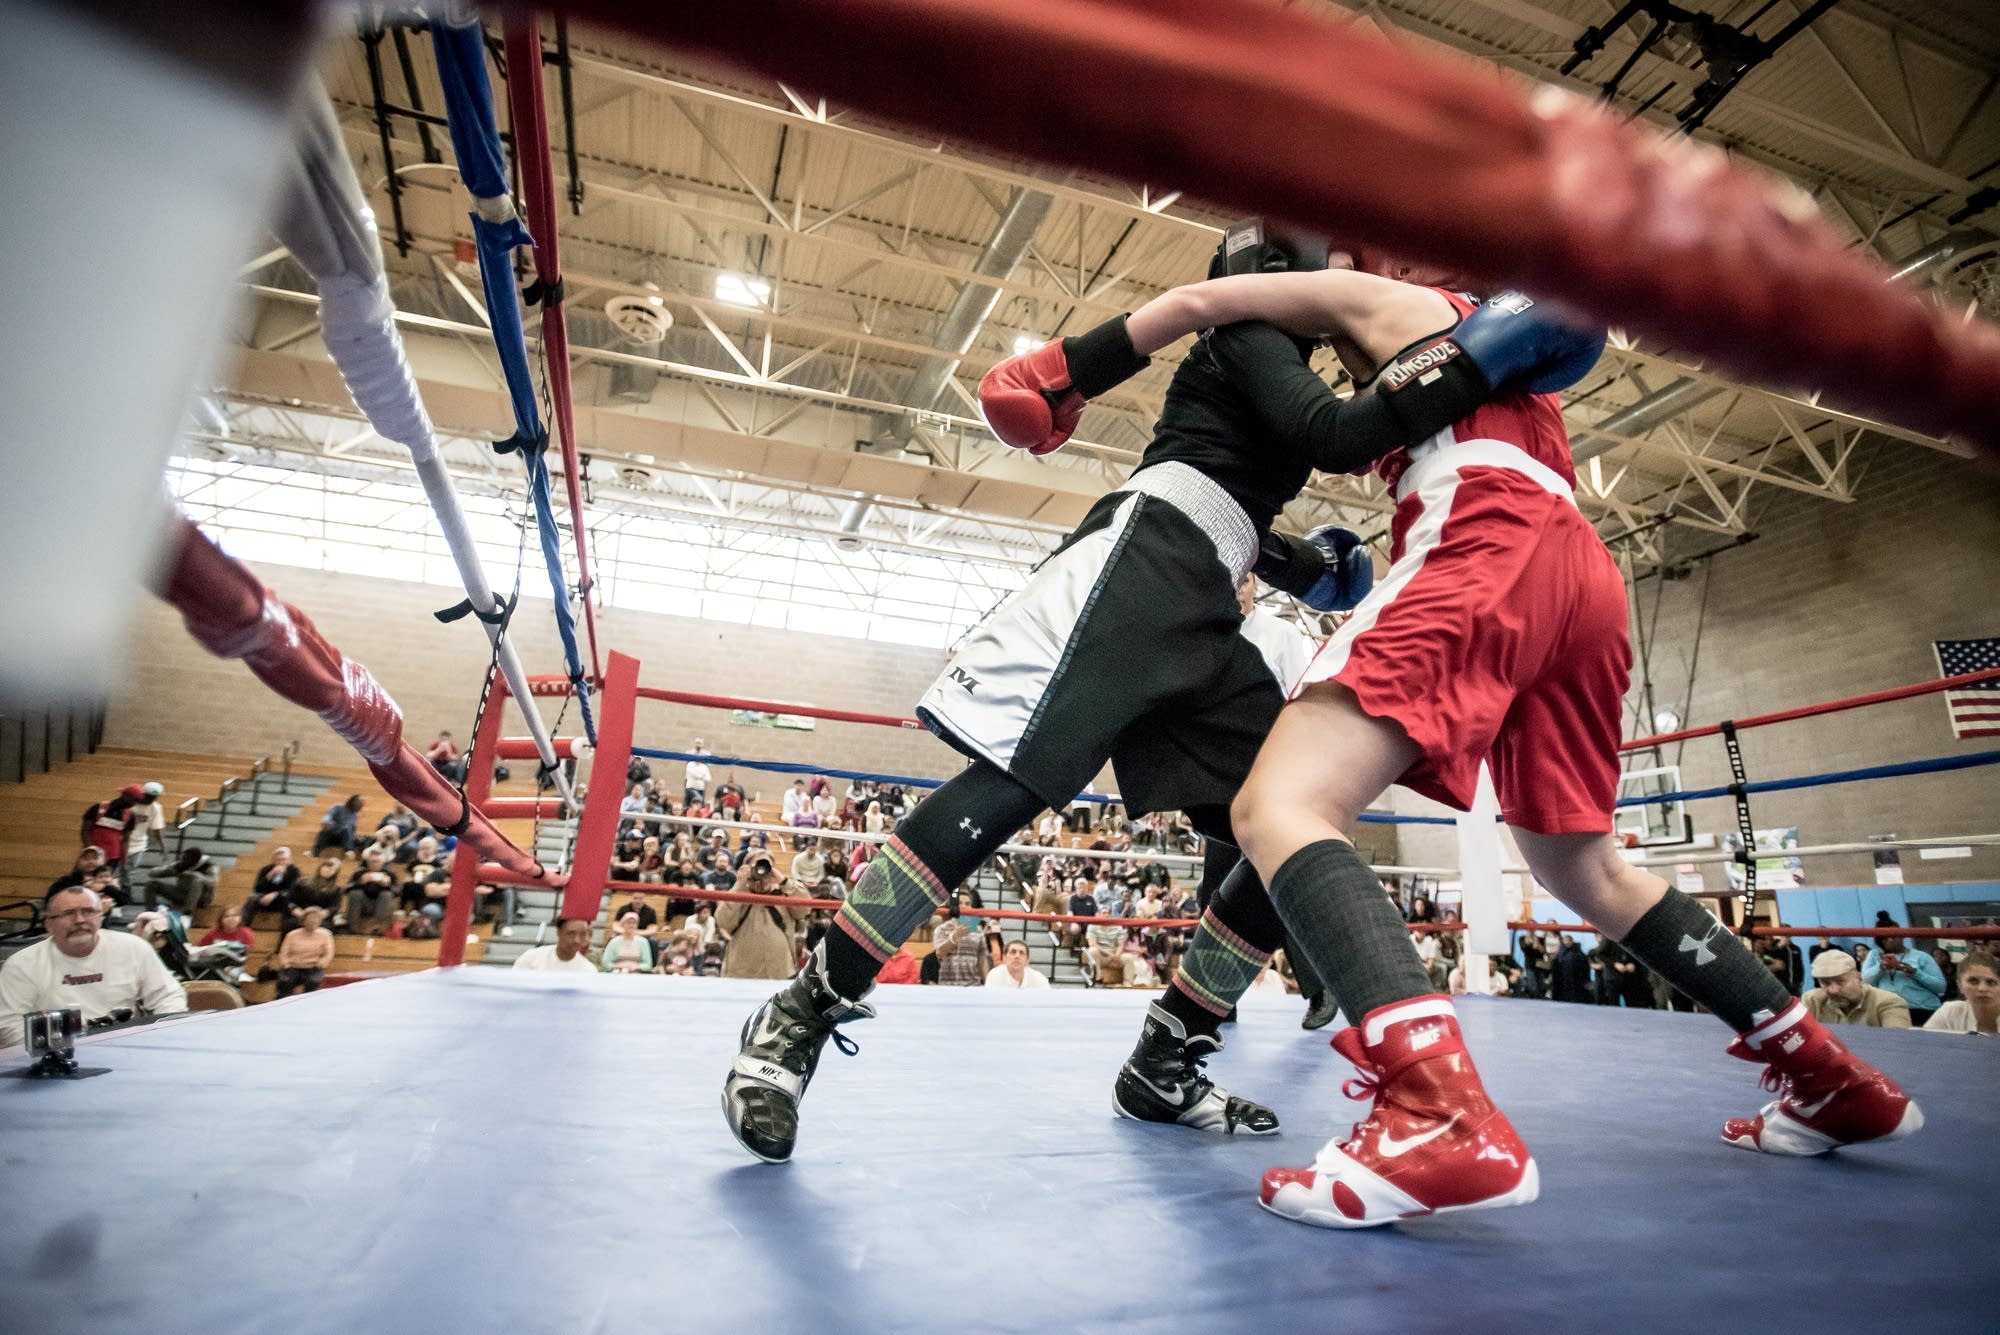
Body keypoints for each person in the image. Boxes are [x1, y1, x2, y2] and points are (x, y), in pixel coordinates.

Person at [720, 226, 1606, 1163]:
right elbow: (1332, 437)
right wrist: (1467, 360)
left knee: (1287, 825)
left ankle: (1168, 1056)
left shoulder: (1261, 351)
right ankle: (798, 1014)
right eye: (1334, 262)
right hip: (1149, 557)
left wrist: (1314, 565)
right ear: (1281, 273)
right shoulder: (1247, 333)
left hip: (1204, 585)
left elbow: (1246, 499)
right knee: (1012, 789)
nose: (1353, 276)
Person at [1131, 256, 1926, 1227]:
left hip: (1485, 534)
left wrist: (1078, 360)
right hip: (1574, 566)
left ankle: (1433, 1114)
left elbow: (1215, 300)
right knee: (1581, 863)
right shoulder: (1475, 333)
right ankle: (1826, 1077)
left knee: (1280, 804)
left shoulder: (1390, 297)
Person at [0, 887, 187, 1046]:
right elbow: (8, 1024)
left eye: (88, 912)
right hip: (55, 1053)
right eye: (69, 913)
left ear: (100, 917)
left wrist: (162, 1036)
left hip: (127, 1048)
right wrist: (49, 1050)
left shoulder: (134, 948)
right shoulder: (21, 965)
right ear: (49, 924)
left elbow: (168, 996)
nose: (80, 920)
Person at [717, 855, 811, 980]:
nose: (761, 871)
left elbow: (805, 909)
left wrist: (783, 881)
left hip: (779, 971)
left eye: (766, 865)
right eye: (756, 865)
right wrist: (740, 884)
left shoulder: (784, 894)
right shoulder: (739, 894)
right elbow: (723, 921)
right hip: (741, 972)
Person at [1803, 950, 1911, 1028]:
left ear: (1859, 977)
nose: (1833, 990)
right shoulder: (1812, 1000)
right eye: (1825, 983)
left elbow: (1897, 1048)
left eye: (1840, 981)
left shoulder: (1889, 1003)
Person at [1862, 932, 1947, 1028]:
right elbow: (1865, 981)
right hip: (1889, 1010)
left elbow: (1940, 987)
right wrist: (1881, 967)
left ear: (1901, 937)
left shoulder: (1922, 957)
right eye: (1883, 939)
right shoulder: (1874, 956)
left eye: (1892, 937)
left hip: (1922, 1009)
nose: (1888, 941)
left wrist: (1916, 973)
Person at [1923, 949, 1999, 1036]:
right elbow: (1923, 1044)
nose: (1982, 988)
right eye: (1973, 981)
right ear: (1960, 986)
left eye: (1991, 982)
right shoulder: (1949, 1012)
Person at [274, 907, 335, 997]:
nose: (313, 921)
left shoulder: (325, 935)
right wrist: (286, 964)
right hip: (292, 966)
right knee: (285, 982)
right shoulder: (292, 934)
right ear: (303, 920)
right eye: (310, 918)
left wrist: (321, 963)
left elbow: (329, 953)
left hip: (313, 967)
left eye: (316, 919)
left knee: (313, 982)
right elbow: (283, 953)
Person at [138, 847, 218, 916]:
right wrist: (172, 871)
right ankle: (150, 911)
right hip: (181, 894)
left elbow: (214, 881)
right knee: (151, 884)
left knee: (196, 880)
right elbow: (152, 873)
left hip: (201, 899)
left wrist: (196, 875)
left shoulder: (208, 866)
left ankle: (187, 911)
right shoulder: (181, 865)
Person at [240, 847, 302, 928]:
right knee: (252, 898)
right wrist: (269, 876)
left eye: (284, 859)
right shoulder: (266, 870)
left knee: (291, 903)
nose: (280, 862)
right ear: (273, 860)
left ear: (289, 860)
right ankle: (242, 926)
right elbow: (257, 889)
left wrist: (275, 894)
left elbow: (293, 891)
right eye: (278, 860)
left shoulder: (294, 871)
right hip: (265, 899)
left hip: (283, 900)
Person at [512, 919, 598, 974]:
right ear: (559, 932)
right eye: (571, 934)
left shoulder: (588, 971)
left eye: (582, 935)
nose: (577, 940)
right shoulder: (531, 958)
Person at [985, 940, 1051, 990]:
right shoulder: (994, 975)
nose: (1017, 956)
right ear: (1004, 958)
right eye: (1013, 952)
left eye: (1021, 953)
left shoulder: (1039, 978)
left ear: (1027, 960)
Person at [684, 741, 712, 808]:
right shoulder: (690, 764)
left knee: (700, 805)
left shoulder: (704, 766)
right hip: (690, 788)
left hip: (701, 788)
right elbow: (693, 774)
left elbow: (708, 778)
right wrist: (702, 776)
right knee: (691, 804)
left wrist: (700, 776)